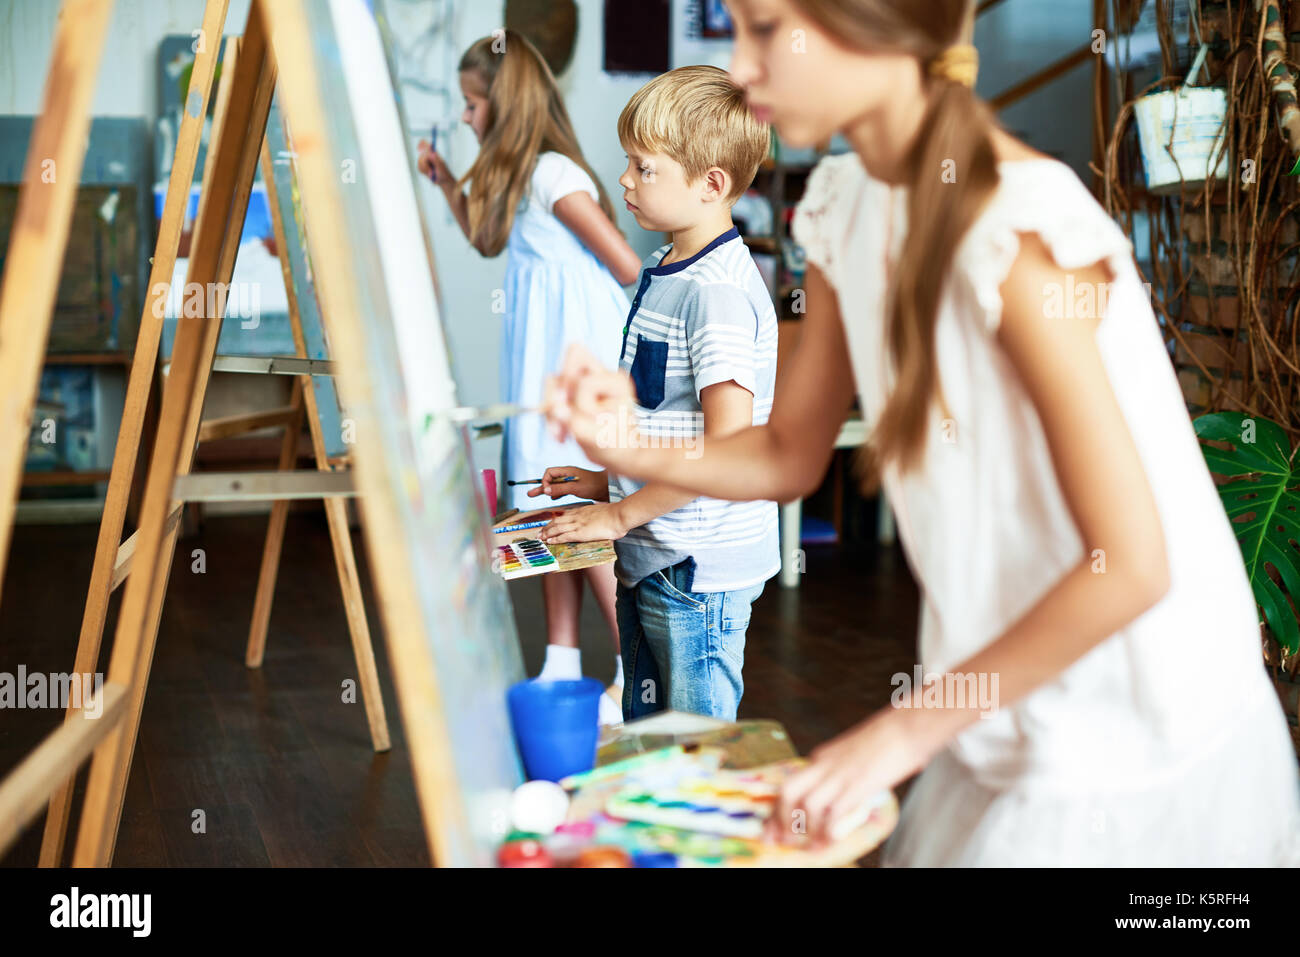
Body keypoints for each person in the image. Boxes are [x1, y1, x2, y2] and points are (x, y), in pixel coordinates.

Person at [540, 0, 1300, 864]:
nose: (741, 68)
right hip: (999, 705)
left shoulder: (1020, 227)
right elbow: (788, 451)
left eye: (763, 29)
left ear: (871, 24)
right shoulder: (839, 199)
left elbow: (1130, 564)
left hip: (1135, 733)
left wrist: (892, 740)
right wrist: (620, 443)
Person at [528, 66, 777, 722]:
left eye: (644, 168)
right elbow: (664, 417)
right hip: (653, 546)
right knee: (650, 737)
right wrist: (601, 483)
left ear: (711, 185)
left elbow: (725, 449)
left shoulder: (715, 292)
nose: (624, 181)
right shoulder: (666, 270)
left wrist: (617, 514)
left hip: (698, 566)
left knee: (694, 746)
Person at [417, 30, 641, 720]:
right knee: (543, 506)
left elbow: (630, 267)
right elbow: (486, 242)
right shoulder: (526, 180)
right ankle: (562, 659)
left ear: (505, 106)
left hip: (576, 373)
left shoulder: (554, 176)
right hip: (540, 372)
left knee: (577, 514)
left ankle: (635, 669)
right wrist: (449, 181)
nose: (465, 117)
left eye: (473, 104)